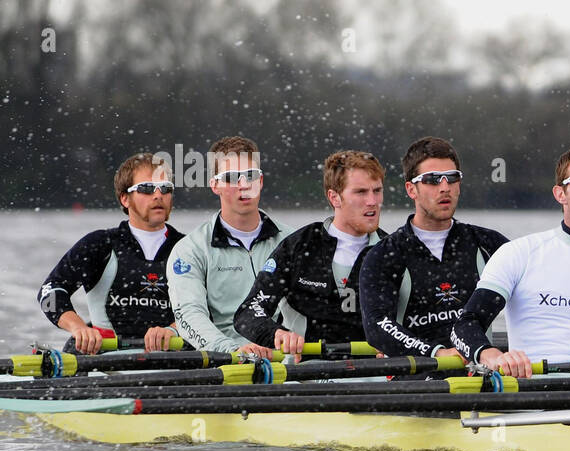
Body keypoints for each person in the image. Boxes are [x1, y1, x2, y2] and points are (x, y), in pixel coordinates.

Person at [450, 145, 570, 377]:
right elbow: (465, 324)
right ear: (560, 194)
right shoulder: (519, 254)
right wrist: (493, 355)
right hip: (531, 396)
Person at [358, 137, 507, 360]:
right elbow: (377, 326)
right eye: (432, 180)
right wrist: (436, 353)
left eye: (452, 178)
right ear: (411, 189)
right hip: (418, 375)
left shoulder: (489, 244)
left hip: (478, 369)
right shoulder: (383, 255)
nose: (445, 187)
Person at [234, 150, 387, 355]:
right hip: (310, 370)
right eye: (361, 192)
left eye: (377, 191)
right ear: (334, 197)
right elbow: (248, 313)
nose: (372, 201)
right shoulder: (300, 247)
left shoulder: (392, 250)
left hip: (375, 370)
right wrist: (277, 334)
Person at [39, 153, 185, 354]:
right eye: (146, 188)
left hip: (174, 362)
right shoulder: (100, 244)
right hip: (105, 361)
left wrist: (174, 329)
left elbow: (212, 308)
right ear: (125, 199)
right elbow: (50, 291)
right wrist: (79, 328)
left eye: (165, 188)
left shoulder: (188, 248)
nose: (158, 195)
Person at [167, 136, 289, 357]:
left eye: (250, 176)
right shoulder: (190, 250)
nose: (244, 185)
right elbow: (189, 315)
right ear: (215, 185)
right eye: (232, 178)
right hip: (228, 360)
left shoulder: (292, 242)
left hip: (288, 359)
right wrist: (231, 350)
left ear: (260, 181)